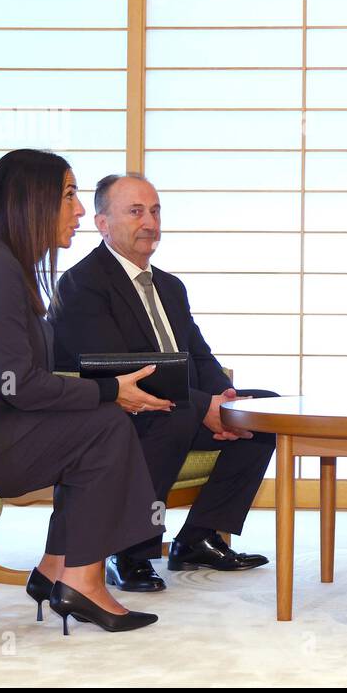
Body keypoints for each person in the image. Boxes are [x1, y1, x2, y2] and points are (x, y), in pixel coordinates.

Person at [0, 149, 174, 634]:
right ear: (35, 200)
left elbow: (18, 380)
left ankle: (57, 569)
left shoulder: (3, 260)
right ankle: (81, 580)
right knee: (104, 426)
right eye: (69, 195)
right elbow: (21, 383)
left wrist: (108, 393)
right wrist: (110, 392)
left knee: (99, 423)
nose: (80, 210)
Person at [49, 173, 277, 594]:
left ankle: (199, 538)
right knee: (181, 411)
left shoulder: (170, 287)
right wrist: (202, 406)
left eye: (155, 211)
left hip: (178, 409)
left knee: (265, 409)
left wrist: (223, 401)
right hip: (114, 414)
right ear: (102, 223)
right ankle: (130, 550)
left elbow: (199, 355)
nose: (150, 222)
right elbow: (114, 369)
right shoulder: (83, 284)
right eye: (136, 211)